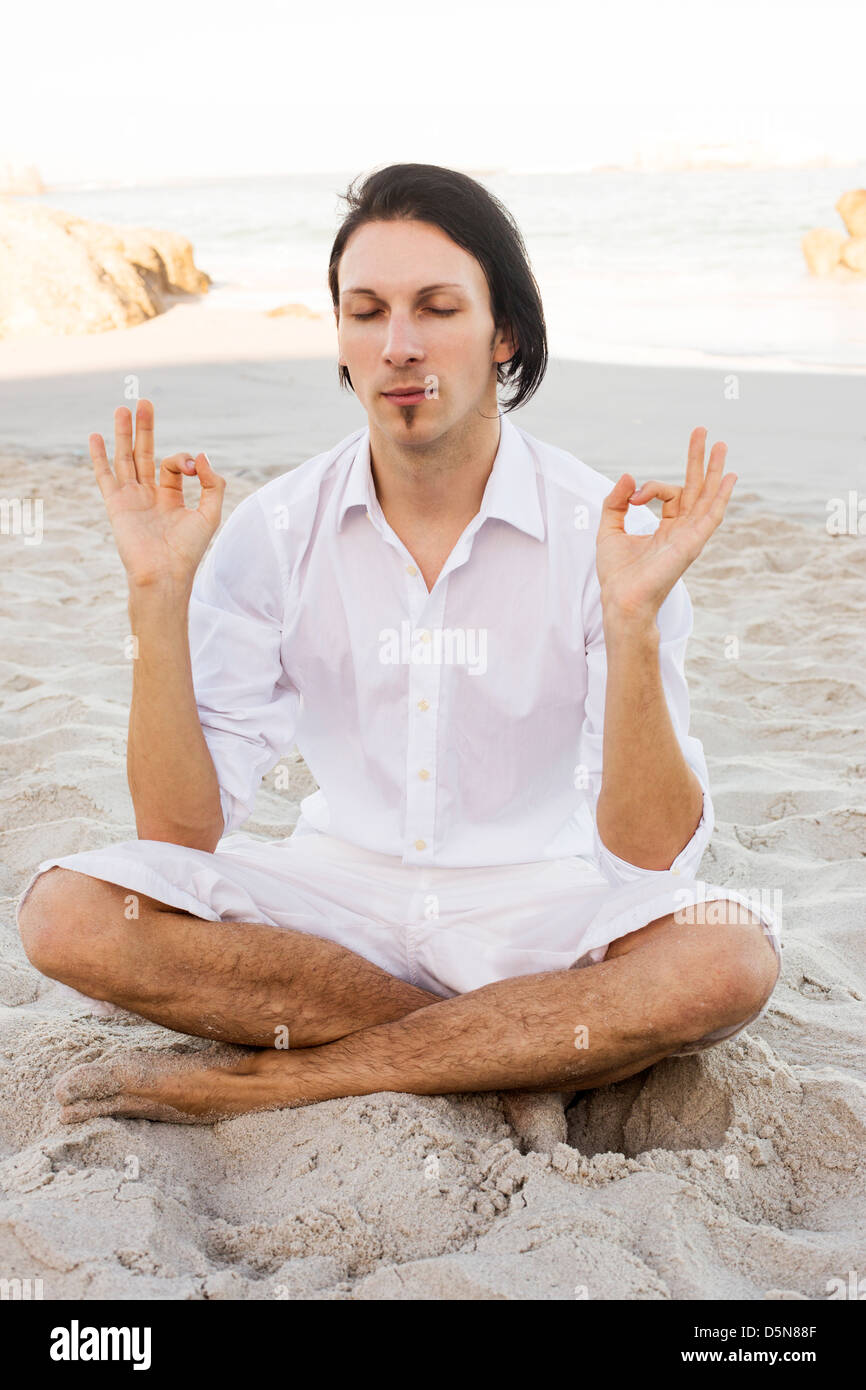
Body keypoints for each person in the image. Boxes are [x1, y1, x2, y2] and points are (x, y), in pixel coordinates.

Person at [17, 163, 781, 1128]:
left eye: (437, 307)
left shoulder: (603, 528)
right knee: (68, 913)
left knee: (727, 957)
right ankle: (507, 1050)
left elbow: (651, 857)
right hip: (336, 914)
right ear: (340, 335)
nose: (400, 346)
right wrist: (156, 599)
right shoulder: (276, 527)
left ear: (504, 331)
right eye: (367, 311)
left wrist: (629, 625)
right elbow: (178, 836)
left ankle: (292, 1079)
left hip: (536, 914)